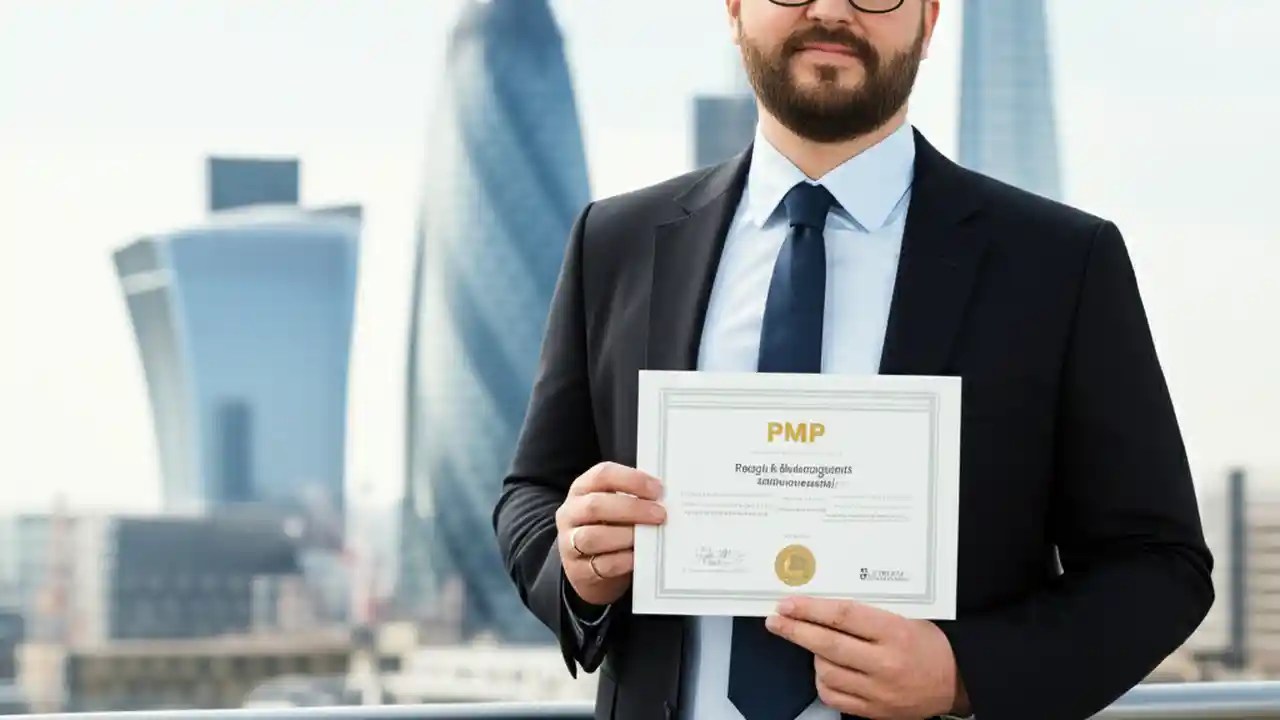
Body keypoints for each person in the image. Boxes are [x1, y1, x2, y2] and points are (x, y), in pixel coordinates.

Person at [492, 0, 1214, 718]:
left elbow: (1159, 565)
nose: (832, 10)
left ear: (929, 22)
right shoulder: (616, 242)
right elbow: (533, 493)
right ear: (736, 10)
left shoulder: (1058, 264)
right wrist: (579, 566)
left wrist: (964, 673)